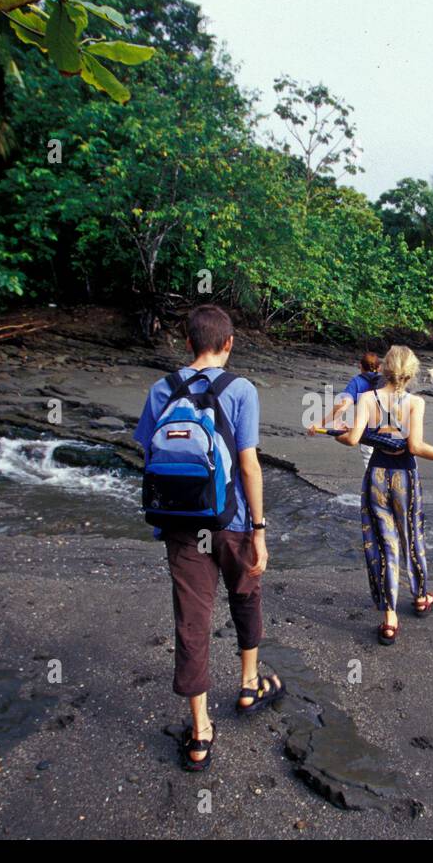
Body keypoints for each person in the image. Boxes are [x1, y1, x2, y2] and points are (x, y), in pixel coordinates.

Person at [133, 304, 283, 772]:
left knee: (192, 621)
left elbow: (150, 450)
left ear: (187, 342)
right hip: (231, 520)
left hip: (181, 524)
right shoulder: (241, 389)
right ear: (229, 343)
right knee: (246, 594)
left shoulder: (162, 388)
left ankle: (199, 733)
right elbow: (248, 464)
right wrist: (259, 530)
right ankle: (248, 684)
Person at [313, 346, 433, 645]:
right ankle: (419, 597)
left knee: (384, 542)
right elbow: (415, 447)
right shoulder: (415, 402)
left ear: (384, 369)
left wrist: (331, 431)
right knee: (412, 536)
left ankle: (390, 617)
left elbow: (352, 439)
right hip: (405, 476)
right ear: (412, 372)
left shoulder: (367, 397)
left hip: (376, 475)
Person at [318, 351, 384, 465]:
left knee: (370, 465)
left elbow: (343, 406)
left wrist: (323, 422)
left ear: (360, 366)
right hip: (389, 430)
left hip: (366, 430)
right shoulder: (387, 381)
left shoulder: (357, 382)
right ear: (379, 367)